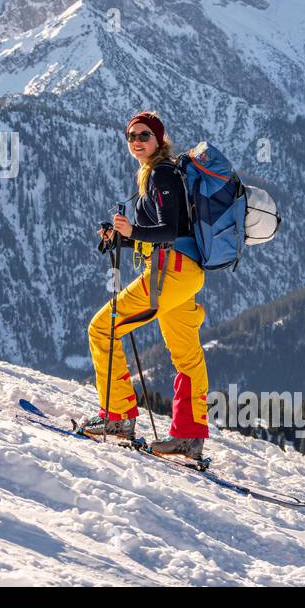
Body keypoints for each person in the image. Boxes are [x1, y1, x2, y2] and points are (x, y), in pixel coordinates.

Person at [81, 110, 209, 459]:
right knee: (187, 355)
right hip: (187, 272)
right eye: (131, 137)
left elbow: (167, 230)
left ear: (159, 139)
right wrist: (122, 239)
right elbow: (171, 231)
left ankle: (118, 415)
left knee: (102, 329)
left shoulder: (161, 174)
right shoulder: (164, 173)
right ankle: (188, 435)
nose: (137, 142)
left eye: (144, 136)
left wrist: (130, 231)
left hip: (169, 272)